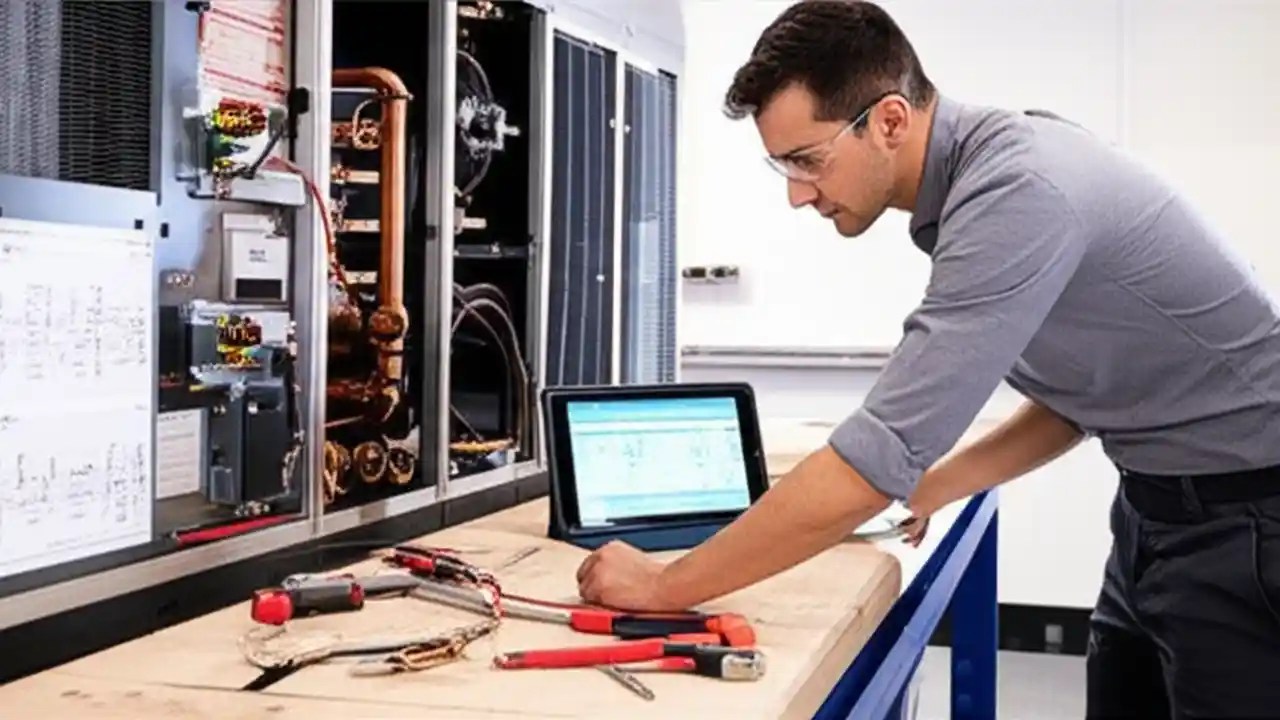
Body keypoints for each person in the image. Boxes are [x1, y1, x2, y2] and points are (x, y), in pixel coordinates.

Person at [573, 0, 1280, 716]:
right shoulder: (996, 167)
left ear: (888, 120)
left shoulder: (1018, 191)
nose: (795, 194)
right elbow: (1086, 398)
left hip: (1250, 521)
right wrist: (935, 485)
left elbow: (876, 457)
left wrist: (667, 587)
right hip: (1158, 509)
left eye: (806, 160)